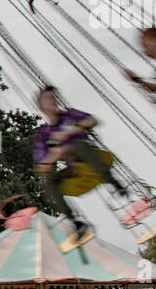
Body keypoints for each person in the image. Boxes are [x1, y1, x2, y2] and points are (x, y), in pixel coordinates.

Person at [33, 87, 126, 247]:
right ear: (41, 106)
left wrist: (71, 132)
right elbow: (41, 166)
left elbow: (93, 120)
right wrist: (57, 153)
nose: (53, 101)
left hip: (91, 156)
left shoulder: (69, 115)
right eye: (48, 99)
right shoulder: (44, 134)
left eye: (54, 97)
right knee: (47, 181)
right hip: (75, 168)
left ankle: (111, 181)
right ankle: (75, 221)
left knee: (78, 146)